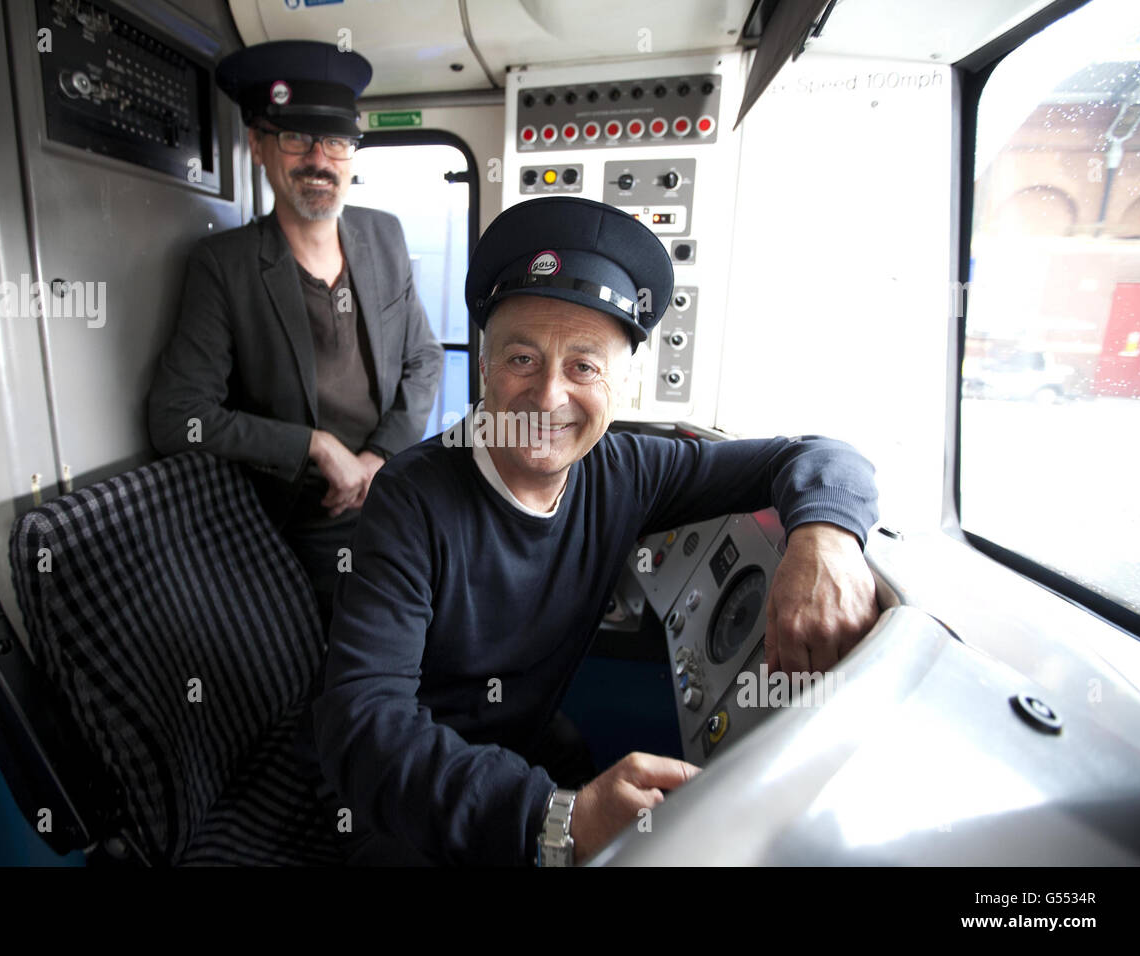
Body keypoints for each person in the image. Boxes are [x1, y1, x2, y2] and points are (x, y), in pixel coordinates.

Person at [313, 196, 881, 866]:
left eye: (584, 366)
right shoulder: (412, 498)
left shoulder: (628, 470)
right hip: (407, 798)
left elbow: (815, 454)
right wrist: (556, 816)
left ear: (622, 386)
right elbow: (363, 728)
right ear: (486, 368)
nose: (549, 396)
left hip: (522, 749)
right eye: (522, 359)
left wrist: (825, 537)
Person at [147, 40, 442, 626]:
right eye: (295, 138)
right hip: (306, 521)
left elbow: (425, 360)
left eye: (336, 141)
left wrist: (377, 457)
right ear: (258, 145)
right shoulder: (223, 264)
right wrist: (315, 446)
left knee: (462, 610)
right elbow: (177, 415)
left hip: (396, 485)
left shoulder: (384, 235)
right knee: (368, 645)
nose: (320, 160)